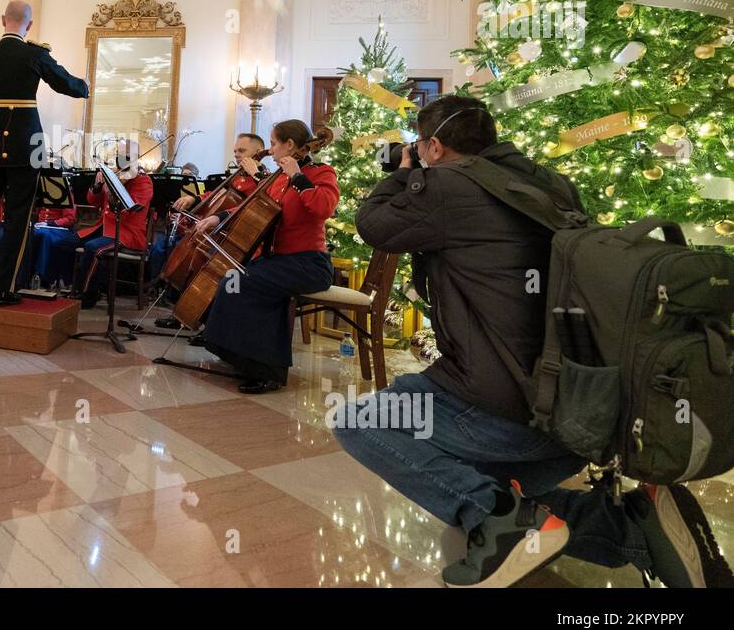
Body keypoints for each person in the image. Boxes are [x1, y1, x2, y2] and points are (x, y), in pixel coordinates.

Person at [341, 94, 733, 588]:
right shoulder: (548, 182)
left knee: (360, 420)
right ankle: (629, 527)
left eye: (423, 144)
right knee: (479, 488)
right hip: (577, 413)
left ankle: (508, 528)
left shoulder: (445, 187)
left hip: (506, 410)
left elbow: (372, 225)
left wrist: (403, 170)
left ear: (435, 146)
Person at [0, 0, 89, 307]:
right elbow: (68, 86)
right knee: (19, 218)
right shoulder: (36, 53)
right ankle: (3, 289)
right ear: (29, 26)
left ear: (2, 20)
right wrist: (85, 85)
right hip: (27, 145)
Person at [196, 120, 338, 394]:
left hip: (309, 263)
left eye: (273, 143)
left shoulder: (320, 172)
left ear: (290, 145)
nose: (270, 150)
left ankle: (267, 370)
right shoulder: (277, 179)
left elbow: (324, 207)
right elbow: (254, 208)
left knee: (250, 283)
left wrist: (299, 178)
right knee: (232, 280)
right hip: (280, 260)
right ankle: (239, 357)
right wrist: (219, 216)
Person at [150, 132, 265, 278]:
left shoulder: (263, 181)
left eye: (241, 151)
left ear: (259, 152)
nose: (236, 155)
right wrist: (194, 199)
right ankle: (158, 285)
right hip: (210, 230)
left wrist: (256, 175)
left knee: (172, 249)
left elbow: (250, 208)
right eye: (235, 151)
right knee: (163, 245)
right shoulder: (237, 177)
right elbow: (215, 194)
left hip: (230, 238)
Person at [70, 140, 154, 310]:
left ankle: (86, 294)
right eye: (120, 155)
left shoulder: (143, 181)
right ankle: (67, 285)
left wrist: (116, 191)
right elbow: (94, 202)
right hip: (103, 228)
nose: (122, 159)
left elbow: (130, 210)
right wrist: (97, 186)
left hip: (126, 234)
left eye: (127, 156)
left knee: (93, 248)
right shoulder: (114, 175)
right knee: (65, 242)